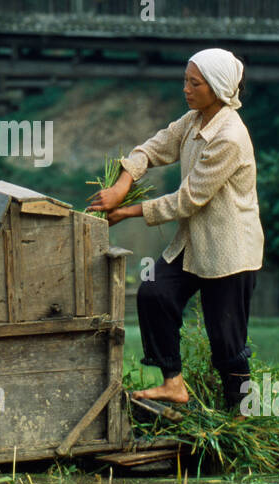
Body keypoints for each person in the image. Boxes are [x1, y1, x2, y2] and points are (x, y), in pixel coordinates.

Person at [88, 48, 263, 414]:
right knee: (154, 293)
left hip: (230, 250)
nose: (185, 88)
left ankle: (243, 417)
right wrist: (123, 182)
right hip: (195, 241)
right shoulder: (194, 120)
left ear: (216, 88)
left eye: (193, 83)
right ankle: (173, 383)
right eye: (185, 80)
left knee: (227, 344)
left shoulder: (229, 136)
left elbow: (188, 200)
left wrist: (128, 211)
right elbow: (153, 147)